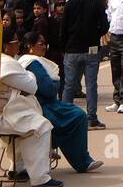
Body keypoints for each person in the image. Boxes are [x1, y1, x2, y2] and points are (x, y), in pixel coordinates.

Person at [20, 31, 103, 173]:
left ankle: (55, 147)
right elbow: (49, 90)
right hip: (43, 106)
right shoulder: (33, 63)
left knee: (72, 112)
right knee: (78, 116)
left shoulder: (30, 61)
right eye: (40, 44)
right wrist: (56, 84)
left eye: (44, 43)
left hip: (43, 104)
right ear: (30, 46)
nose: (44, 47)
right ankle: (82, 161)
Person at [0, 33, 60, 187]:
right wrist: (29, 75)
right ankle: (40, 178)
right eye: (15, 42)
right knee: (41, 126)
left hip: (4, 111)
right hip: (2, 115)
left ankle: (17, 167)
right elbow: (32, 86)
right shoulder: (5, 63)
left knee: (26, 122)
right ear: (6, 45)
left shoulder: (2, 60)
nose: (19, 45)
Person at [60, 0, 109, 130]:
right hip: (91, 49)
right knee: (91, 85)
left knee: (69, 85)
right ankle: (91, 118)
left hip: (72, 49)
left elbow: (64, 28)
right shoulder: (97, 4)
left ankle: (66, 118)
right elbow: (105, 26)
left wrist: (64, 46)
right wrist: (95, 34)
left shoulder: (70, 3)